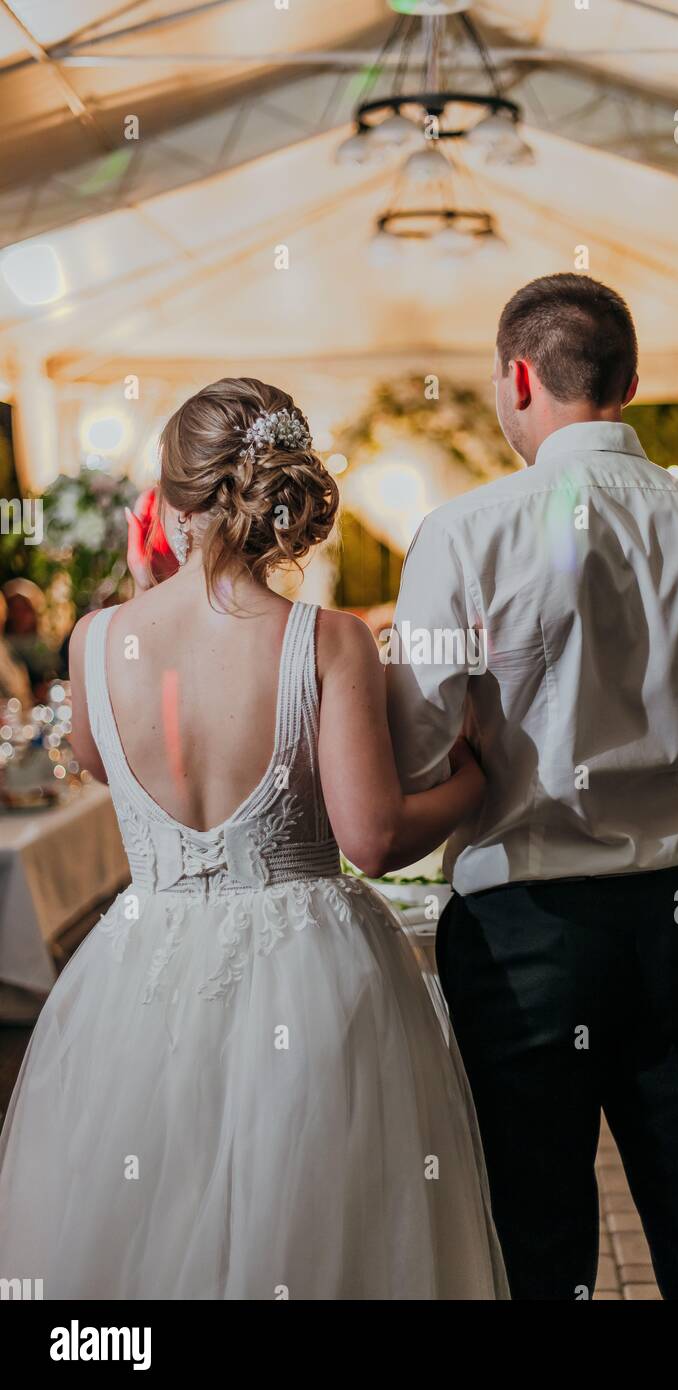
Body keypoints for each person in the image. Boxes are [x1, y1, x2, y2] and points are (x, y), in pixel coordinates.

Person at [0, 378, 507, 1300]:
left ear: (167, 503)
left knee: (149, 1229)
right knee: (312, 1233)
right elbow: (376, 835)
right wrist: (476, 782)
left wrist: (158, 601)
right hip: (310, 974)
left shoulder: (94, 639)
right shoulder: (328, 639)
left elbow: (105, 761)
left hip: (140, 975)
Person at [386, 273, 678, 1301]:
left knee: (538, 1245)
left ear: (514, 379)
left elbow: (414, 762)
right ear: (629, 382)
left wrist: (521, 765)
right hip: (675, 929)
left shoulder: (460, 534)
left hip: (519, 940)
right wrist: (665, 771)